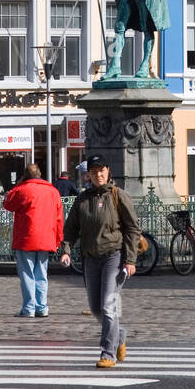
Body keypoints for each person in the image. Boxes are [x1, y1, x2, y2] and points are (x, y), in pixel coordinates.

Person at [59, 155, 141, 368]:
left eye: (101, 170)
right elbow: (71, 228)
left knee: (108, 306)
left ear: (108, 171)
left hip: (114, 256)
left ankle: (108, 353)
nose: (98, 175)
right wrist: (66, 250)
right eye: (94, 172)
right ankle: (119, 335)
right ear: (89, 175)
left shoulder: (118, 196)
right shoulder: (83, 199)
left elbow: (132, 229)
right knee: (96, 308)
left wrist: (130, 259)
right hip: (90, 258)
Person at [3, 163, 64, 318]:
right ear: (40, 174)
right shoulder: (53, 191)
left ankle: (29, 307)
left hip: (26, 237)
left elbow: (8, 204)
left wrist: (19, 184)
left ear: (25, 175)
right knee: (41, 274)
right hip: (46, 238)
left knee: (27, 274)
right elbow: (59, 218)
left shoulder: (22, 190)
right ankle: (42, 307)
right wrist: (58, 239)